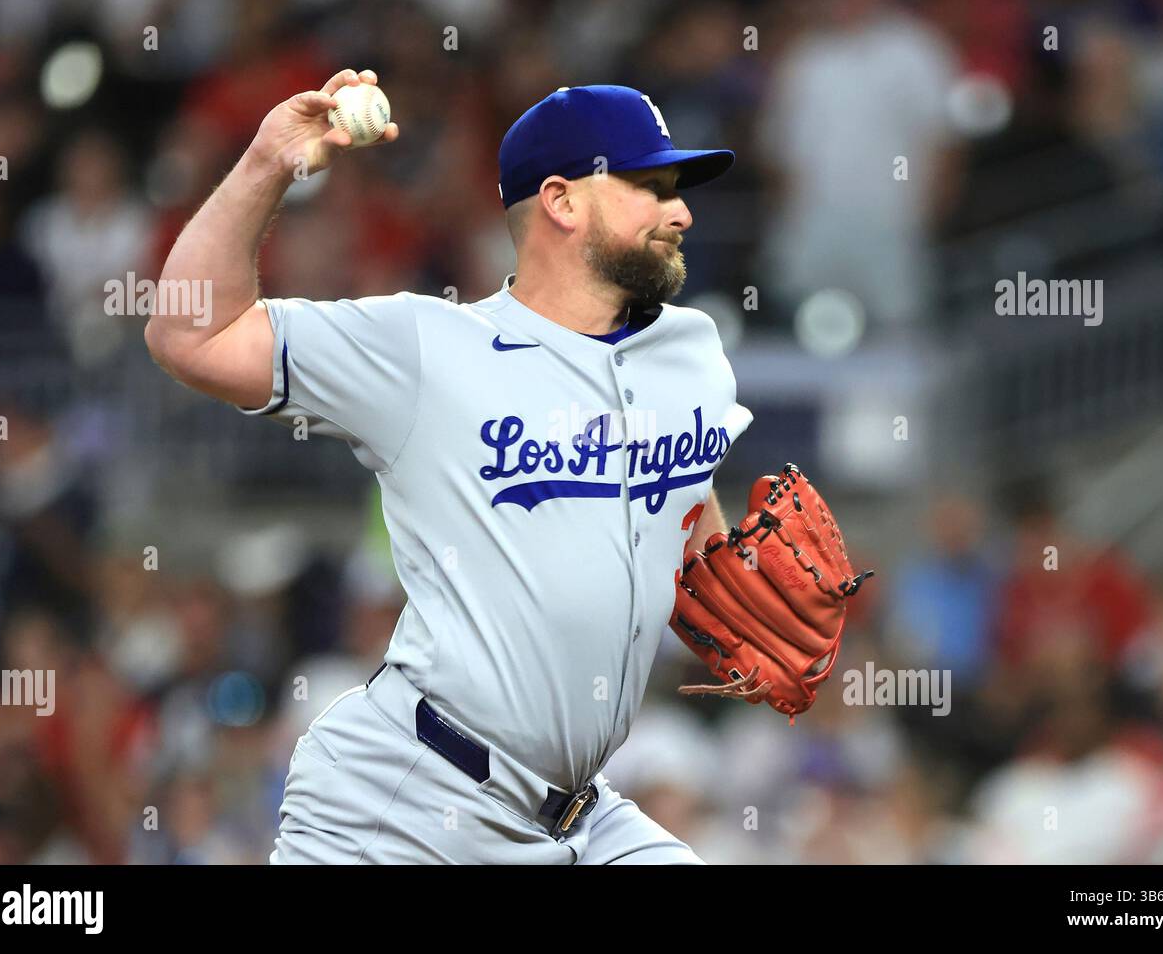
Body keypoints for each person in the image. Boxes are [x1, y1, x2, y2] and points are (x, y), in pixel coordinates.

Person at [144, 72, 752, 864]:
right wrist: (266, 163)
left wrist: (736, 602)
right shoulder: (427, 349)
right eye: (647, 185)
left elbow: (687, 518)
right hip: (407, 803)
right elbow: (189, 334)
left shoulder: (691, 353)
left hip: (578, 815)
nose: (681, 211)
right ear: (563, 202)